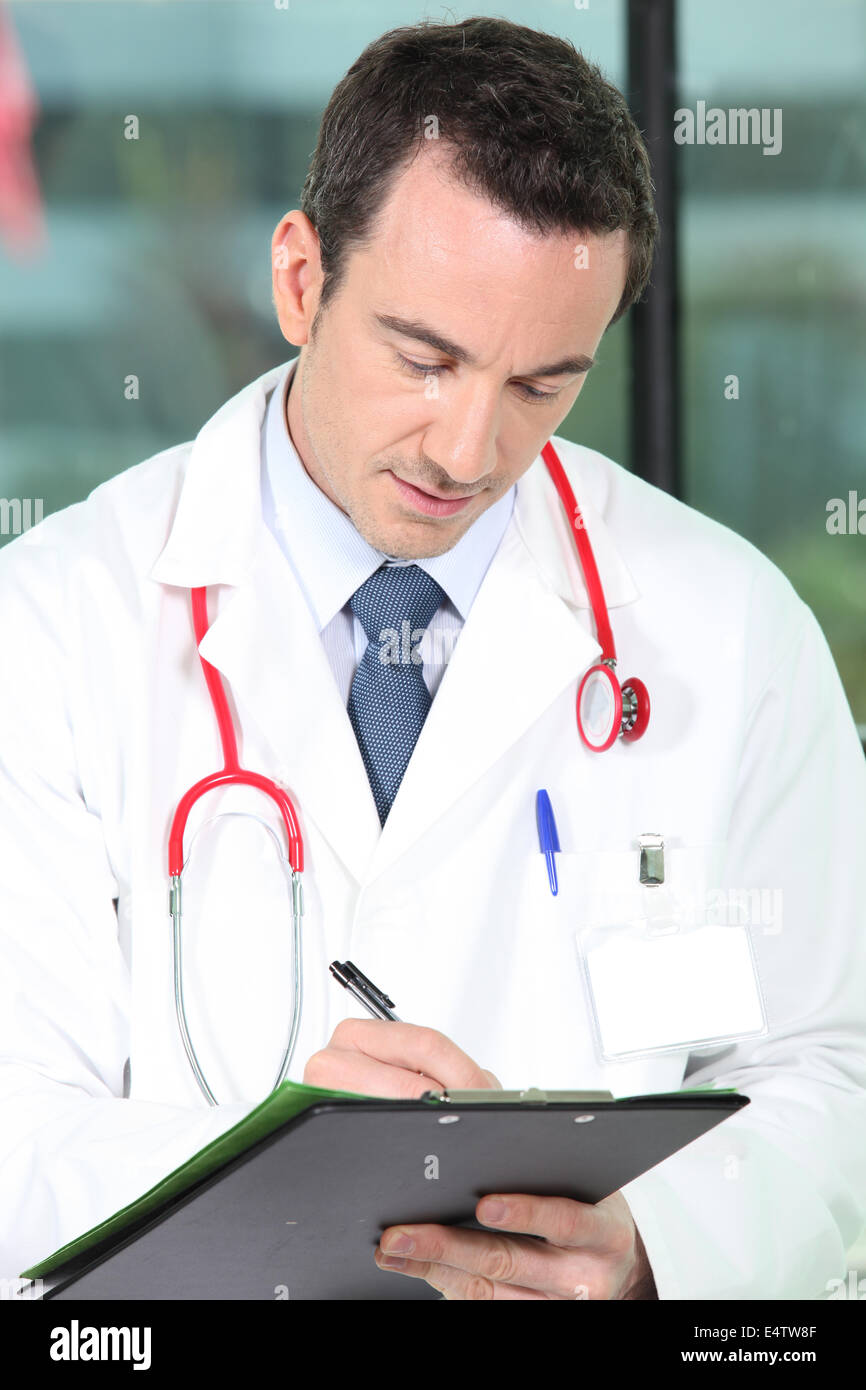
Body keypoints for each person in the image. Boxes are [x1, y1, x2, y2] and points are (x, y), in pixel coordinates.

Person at [1, 16, 864, 1301]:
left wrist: (647, 1253)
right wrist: (262, 1168)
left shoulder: (728, 628)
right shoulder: (56, 625)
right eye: (424, 359)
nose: (465, 450)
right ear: (300, 280)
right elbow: (17, 1126)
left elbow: (833, 1067)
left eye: (540, 384)